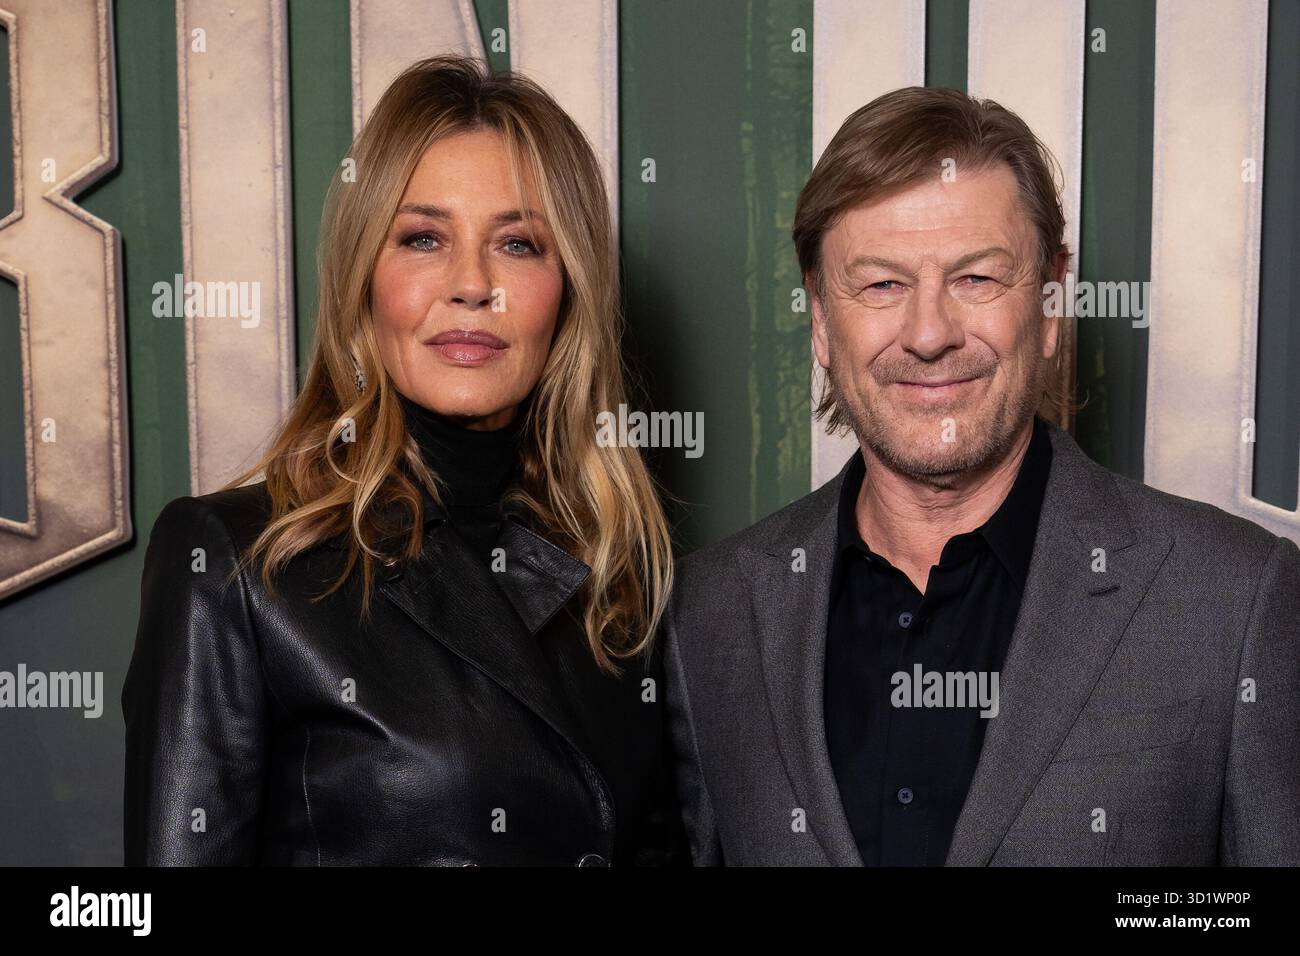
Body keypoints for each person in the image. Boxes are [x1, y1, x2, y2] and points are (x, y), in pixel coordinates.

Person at [662, 86, 1300, 866]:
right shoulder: (708, 615)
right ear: (823, 321)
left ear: (1050, 300)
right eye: (882, 285)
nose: (930, 335)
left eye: (976, 279)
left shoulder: (1234, 599)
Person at [123, 55, 686, 866]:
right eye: (424, 238)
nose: (472, 285)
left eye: (520, 244)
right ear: (365, 280)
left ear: (567, 295)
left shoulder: (619, 584)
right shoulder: (237, 562)